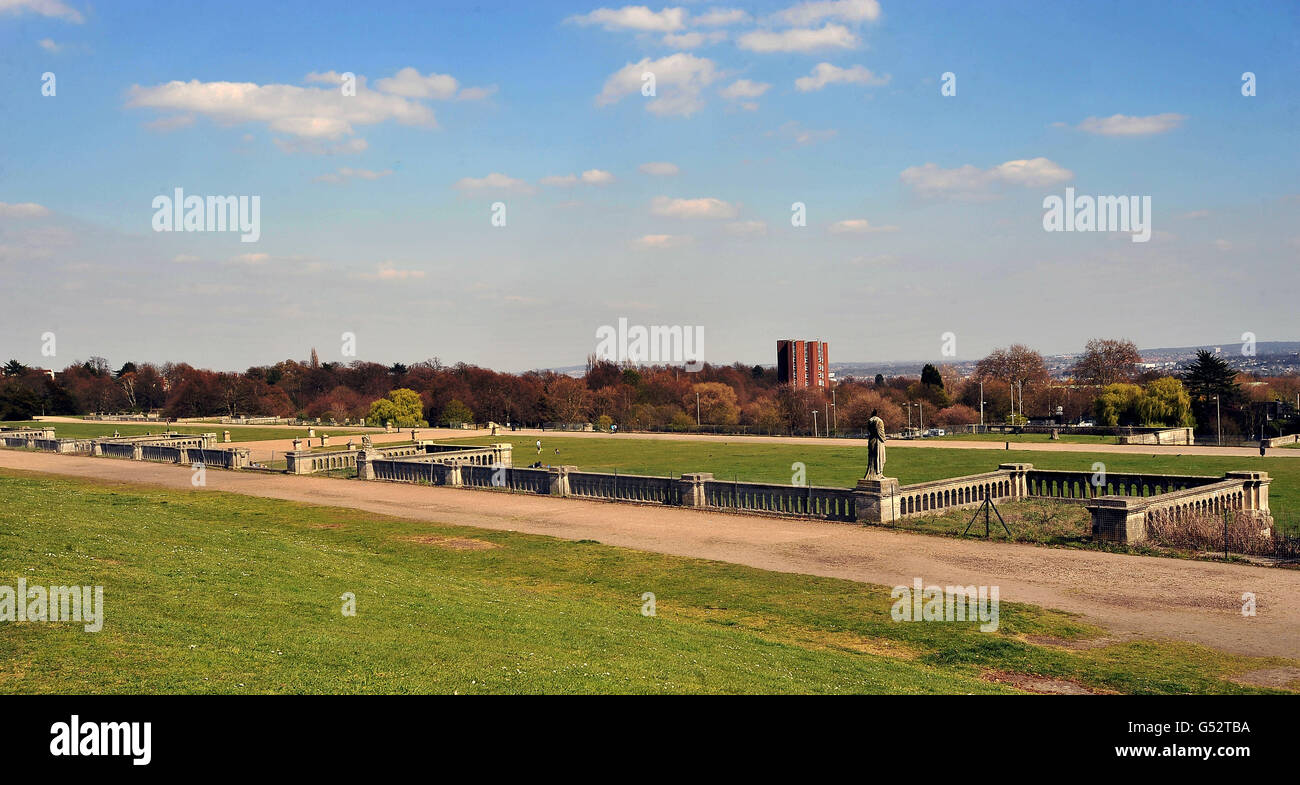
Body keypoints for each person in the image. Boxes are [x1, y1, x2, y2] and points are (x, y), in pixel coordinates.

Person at [864, 409, 887, 478]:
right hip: (878, 441)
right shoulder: (879, 421)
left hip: (872, 440)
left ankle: (877, 473)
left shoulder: (870, 421)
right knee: (879, 457)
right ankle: (878, 473)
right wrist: (884, 438)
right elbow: (880, 432)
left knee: (874, 457)